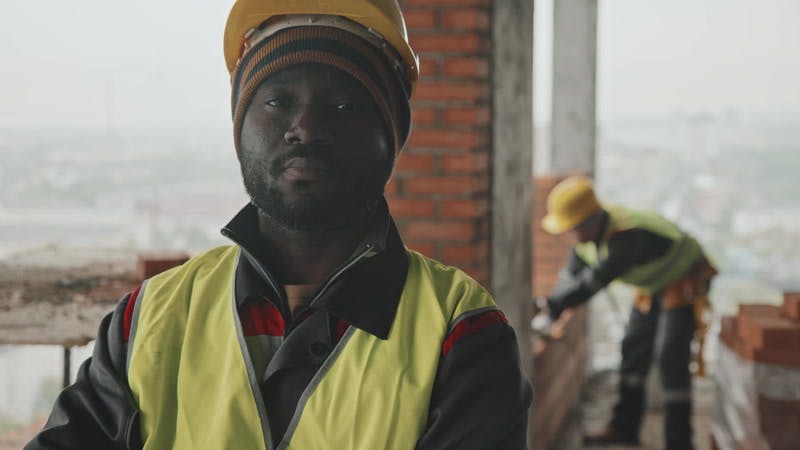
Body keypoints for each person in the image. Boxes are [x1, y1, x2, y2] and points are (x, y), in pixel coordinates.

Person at [25, 1, 532, 449]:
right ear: (239, 130)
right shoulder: (151, 318)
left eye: (344, 104)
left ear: (392, 137)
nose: (306, 128)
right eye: (277, 102)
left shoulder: (459, 332)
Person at [531, 176, 716, 450]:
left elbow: (592, 282)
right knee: (633, 349)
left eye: (572, 228)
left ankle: (680, 442)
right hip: (652, 284)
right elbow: (571, 276)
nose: (570, 234)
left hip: (682, 279)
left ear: (587, 222)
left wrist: (552, 307)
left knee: (670, 359)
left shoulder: (627, 237)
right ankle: (625, 428)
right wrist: (551, 309)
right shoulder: (589, 237)